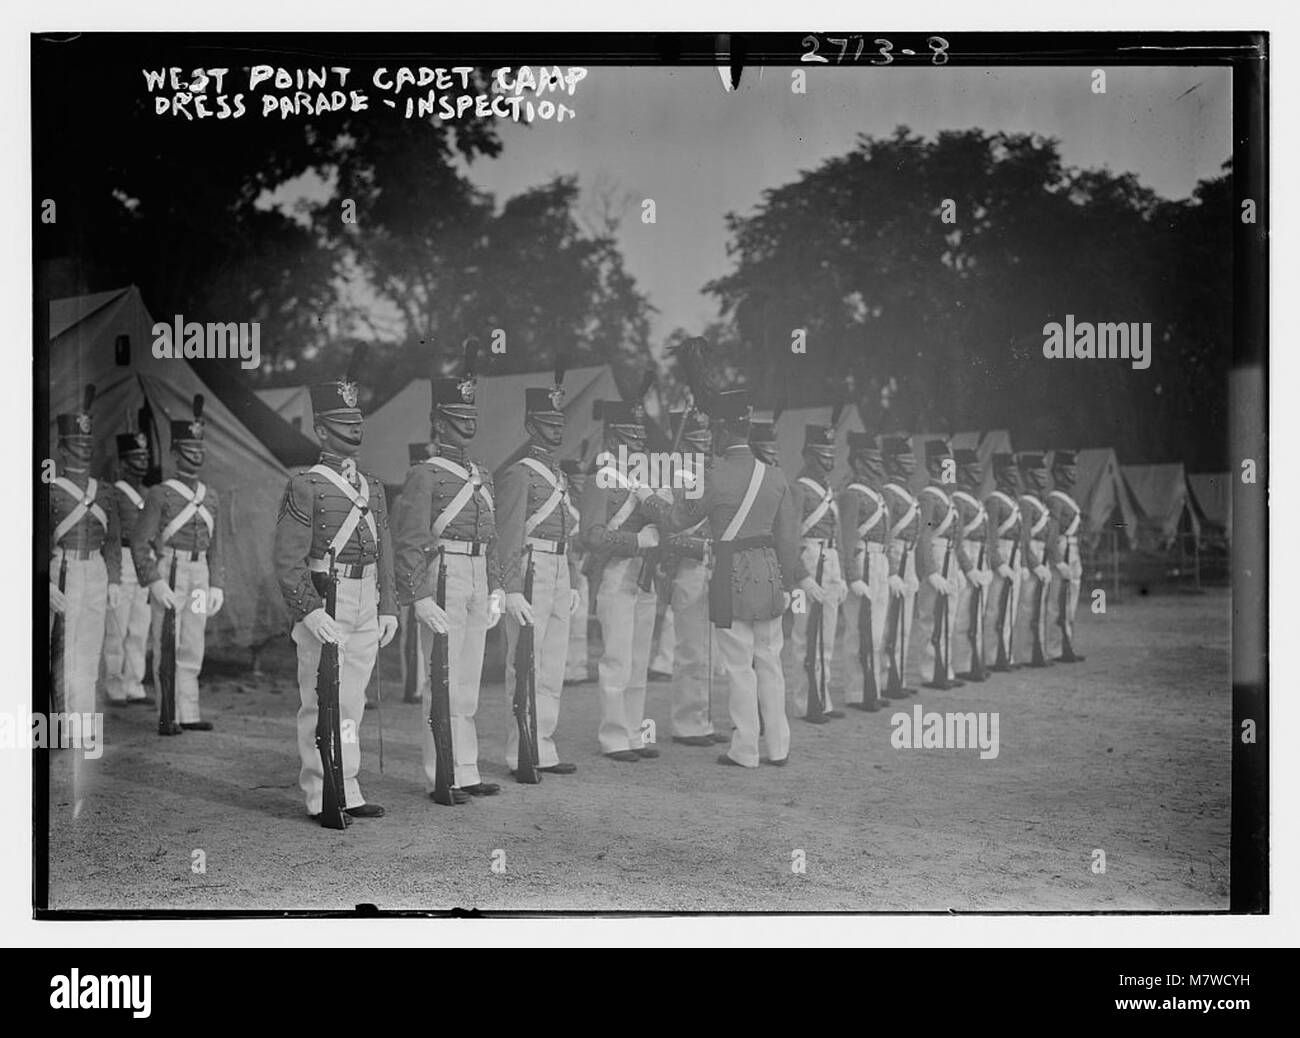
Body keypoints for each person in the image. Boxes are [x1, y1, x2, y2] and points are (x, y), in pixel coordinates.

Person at [273, 350, 398, 822]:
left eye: (357, 420)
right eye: (343, 423)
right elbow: (287, 561)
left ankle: (348, 786)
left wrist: (389, 605)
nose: (355, 430)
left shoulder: (374, 487)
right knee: (321, 698)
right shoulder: (305, 485)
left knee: (352, 700)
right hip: (328, 597)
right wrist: (309, 611)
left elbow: (384, 548)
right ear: (322, 430)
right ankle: (320, 792)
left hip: (366, 596)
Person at [394, 340, 505, 801]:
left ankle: (466, 767)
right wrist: (418, 596)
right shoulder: (426, 474)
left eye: (471, 416)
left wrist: (496, 586)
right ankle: (440, 773)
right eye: (458, 417)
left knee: (468, 680)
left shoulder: (483, 473)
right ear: (439, 422)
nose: (468, 424)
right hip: (444, 574)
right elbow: (410, 540)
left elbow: (493, 536)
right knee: (440, 676)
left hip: (477, 572)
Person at [672, 389, 802, 767]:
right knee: (771, 663)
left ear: (722, 432)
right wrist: (787, 584)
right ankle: (779, 747)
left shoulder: (712, 476)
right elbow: (788, 539)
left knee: (740, 667)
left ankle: (745, 749)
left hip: (731, 574)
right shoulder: (777, 475)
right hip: (771, 573)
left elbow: (678, 518)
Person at [497, 362, 583, 779]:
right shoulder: (519, 475)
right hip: (531, 568)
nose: (556, 429)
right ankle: (520, 751)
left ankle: (544, 744)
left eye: (559, 421)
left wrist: (575, 579)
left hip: (558, 566)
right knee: (525, 661)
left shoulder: (560, 476)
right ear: (531, 424)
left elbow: (569, 532)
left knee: (553, 662)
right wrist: (510, 588)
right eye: (547, 422)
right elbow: (508, 535)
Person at [579, 395, 674, 762]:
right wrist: (635, 540)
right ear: (613, 435)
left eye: (640, 434)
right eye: (630, 434)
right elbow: (592, 535)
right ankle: (614, 736)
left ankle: (634, 733)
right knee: (617, 659)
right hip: (615, 575)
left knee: (637, 660)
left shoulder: (648, 480)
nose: (637, 441)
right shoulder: (599, 478)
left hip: (644, 576)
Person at [132, 395, 224, 733]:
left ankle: (189, 712)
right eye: (189, 448)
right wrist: (154, 581)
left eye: (200, 448)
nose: (196, 454)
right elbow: (141, 542)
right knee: (167, 643)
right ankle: (167, 714)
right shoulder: (160, 494)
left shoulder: (211, 496)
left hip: (199, 576)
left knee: (193, 641)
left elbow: (217, 545)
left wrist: (217, 584)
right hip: (170, 572)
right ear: (174, 453)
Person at [49, 385, 121, 719]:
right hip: (63, 569)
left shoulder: (104, 491)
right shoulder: (49, 491)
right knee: (63, 648)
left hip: (95, 571)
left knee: (90, 649)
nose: (84, 449)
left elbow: (112, 541)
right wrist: (44, 584)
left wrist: (116, 580)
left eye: (87, 443)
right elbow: (36, 544)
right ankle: (63, 721)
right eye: (77, 443)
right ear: (62, 449)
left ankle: (84, 719)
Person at [661, 408, 727, 746]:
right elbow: (668, 534)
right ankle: (686, 723)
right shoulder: (673, 478)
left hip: (716, 567)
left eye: (706, 439)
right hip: (688, 568)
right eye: (695, 441)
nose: (702, 446)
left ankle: (702, 719)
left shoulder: (712, 475)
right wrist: (703, 547)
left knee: (708, 650)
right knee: (691, 648)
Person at [785, 417, 848, 721]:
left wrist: (844, 576)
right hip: (809, 562)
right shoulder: (798, 490)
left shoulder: (827, 490)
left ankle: (822, 699)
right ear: (809, 455)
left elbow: (838, 535)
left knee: (826, 637)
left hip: (830, 561)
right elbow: (790, 537)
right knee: (803, 636)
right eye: (822, 455)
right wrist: (802, 577)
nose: (828, 461)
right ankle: (804, 701)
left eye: (830, 455)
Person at [839, 433, 891, 711]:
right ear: (858, 462)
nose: (876, 466)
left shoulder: (878, 493)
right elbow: (846, 540)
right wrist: (852, 576)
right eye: (871, 461)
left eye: (878, 460)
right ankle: (857, 691)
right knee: (859, 631)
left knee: (877, 631)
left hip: (879, 562)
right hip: (863, 562)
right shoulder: (851, 494)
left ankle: (873, 687)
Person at [102, 419, 153, 706]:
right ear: (123, 461)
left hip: (143, 560)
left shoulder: (148, 493)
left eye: (145, 456)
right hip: (121, 559)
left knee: (139, 627)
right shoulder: (114, 492)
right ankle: (114, 686)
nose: (143, 462)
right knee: (117, 628)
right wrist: (113, 575)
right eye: (136, 457)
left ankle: (135, 684)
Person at [913, 439, 965, 691]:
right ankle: (930, 671)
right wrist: (931, 571)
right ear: (933, 466)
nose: (950, 469)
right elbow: (924, 535)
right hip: (936, 555)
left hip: (950, 557)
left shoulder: (948, 497)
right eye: (946, 464)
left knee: (948, 617)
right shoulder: (929, 497)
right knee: (931, 617)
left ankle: (945, 667)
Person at [880, 434, 920, 698]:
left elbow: (924, 526)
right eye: (905, 458)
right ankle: (884, 680)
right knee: (888, 625)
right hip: (894, 557)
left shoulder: (910, 493)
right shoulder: (889, 493)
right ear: (893, 462)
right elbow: (883, 534)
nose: (912, 463)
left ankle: (899, 678)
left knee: (904, 624)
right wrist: (892, 572)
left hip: (910, 557)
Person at [950, 448, 993, 682]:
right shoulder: (958, 500)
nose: (979, 475)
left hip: (980, 560)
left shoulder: (976, 501)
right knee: (962, 617)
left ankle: (973, 662)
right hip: (964, 560)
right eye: (974, 471)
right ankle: (961, 665)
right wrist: (968, 569)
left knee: (976, 616)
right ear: (963, 473)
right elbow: (956, 542)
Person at [1016, 452, 1059, 669]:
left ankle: (1038, 651)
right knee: (1026, 608)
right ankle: (1024, 654)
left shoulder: (1041, 504)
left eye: (1044, 472)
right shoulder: (1025, 503)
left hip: (1043, 558)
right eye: (1038, 473)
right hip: (1031, 557)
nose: (1043, 477)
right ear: (1029, 475)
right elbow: (1023, 539)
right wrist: (1032, 564)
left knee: (1039, 607)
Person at [983, 452, 1024, 672]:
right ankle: (991, 656)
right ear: (999, 475)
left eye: (1016, 472)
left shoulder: (1015, 502)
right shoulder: (994, 500)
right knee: (995, 608)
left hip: (1015, 555)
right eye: (1010, 473)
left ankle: (1005, 655)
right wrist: (998, 563)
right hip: (1002, 554)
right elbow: (990, 537)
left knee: (1010, 608)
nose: (1015, 477)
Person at [1047, 449, 1086, 663]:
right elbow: (1052, 535)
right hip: (1063, 551)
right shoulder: (1055, 500)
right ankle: (1055, 648)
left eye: (1074, 470)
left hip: (1073, 551)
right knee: (1057, 603)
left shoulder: (1069, 499)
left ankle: (1066, 645)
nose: (1073, 475)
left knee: (1069, 604)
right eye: (1069, 471)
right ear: (1059, 473)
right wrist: (1058, 561)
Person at [560, 458, 592, 685]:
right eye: (576, 479)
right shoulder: (563, 500)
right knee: (564, 618)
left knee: (580, 620)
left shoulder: (587, 502)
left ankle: (578, 668)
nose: (580, 484)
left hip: (583, 563)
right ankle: (562, 669)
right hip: (565, 563)